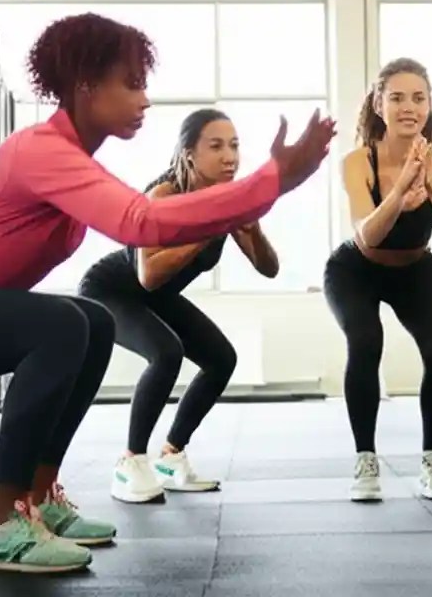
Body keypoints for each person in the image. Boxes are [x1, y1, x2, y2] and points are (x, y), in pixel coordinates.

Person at [0, 13, 335, 575]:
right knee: (65, 323)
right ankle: (0, 521)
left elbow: (148, 218)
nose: (144, 99)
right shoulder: (40, 151)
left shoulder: (71, 159)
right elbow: (141, 220)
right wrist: (269, 182)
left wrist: (262, 192)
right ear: (85, 85)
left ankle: (39, 499)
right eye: (132, 83)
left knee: (92, 320)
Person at [78, 108, 280, 502]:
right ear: (189, 153)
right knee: (166, 352)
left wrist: (251, 227)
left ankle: (170, 455)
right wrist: (211, 228)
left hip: (158, 295)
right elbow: (148, 275)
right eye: (216, 146)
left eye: (235, 146)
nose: (229, 157)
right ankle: (130, 461)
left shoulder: (230, 199)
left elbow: (269, 269)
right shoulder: (164, 196)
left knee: (221, 359)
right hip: (110, 290)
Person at [324, 57, 432, 503]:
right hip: (356, 269)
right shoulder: (357, 161)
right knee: (366, 341)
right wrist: (399, 189)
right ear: (378, 103)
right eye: (396, 98)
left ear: (430, 105)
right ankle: (365, 459)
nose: (408, 107)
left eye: (418, 98)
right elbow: (367, 233)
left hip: (416, 269)